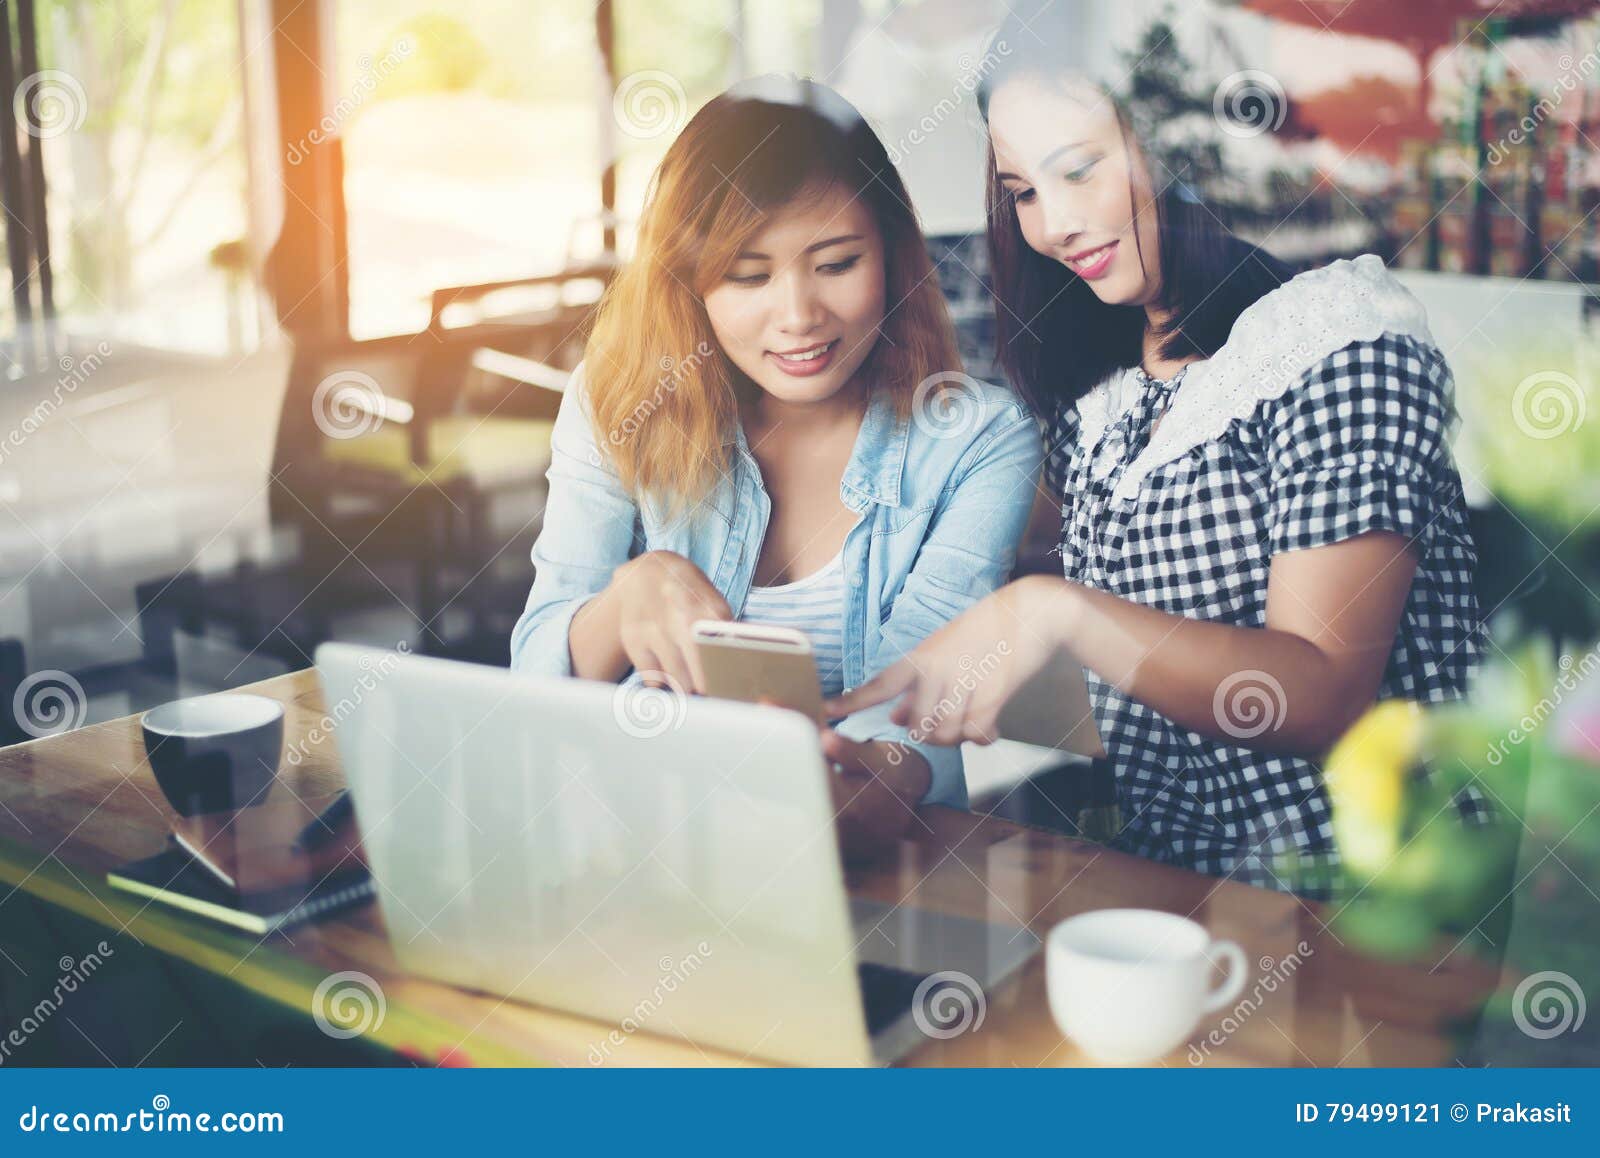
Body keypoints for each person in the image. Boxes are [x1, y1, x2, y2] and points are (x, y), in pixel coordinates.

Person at [828, 9, 1482, 890]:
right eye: (1023, 191)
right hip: (1176, 887)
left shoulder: (1339, 338)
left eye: (1079, 169)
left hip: (1363, 908)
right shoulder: (1111, 383)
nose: (1053, 225)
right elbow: (1061, 595)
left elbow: (1320, 693)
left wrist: (1053, 611)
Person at [510, 77, 1042, 855]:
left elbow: (920, 696)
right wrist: (627, 601)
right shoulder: (616, 401)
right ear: (688, 283)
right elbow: (533, 685)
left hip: (879, 862)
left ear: (892, 258)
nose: (798, 316)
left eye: (835, 263)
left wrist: (864, 782)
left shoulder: (979, 440)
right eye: (748, 276)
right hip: (637, 842)